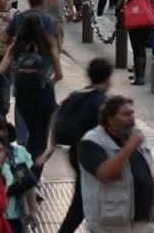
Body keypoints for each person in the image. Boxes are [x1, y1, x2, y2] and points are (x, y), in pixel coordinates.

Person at [41, 57, 113, 233]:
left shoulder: (78, 94)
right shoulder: (102, 101)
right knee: (87, 201)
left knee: (82, 200)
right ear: (107, 78)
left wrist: (51, 147)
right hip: (93, 156)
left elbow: (56, 116)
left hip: (75, 152)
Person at [79, 96, 154, 232]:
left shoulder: (133, 134)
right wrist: (130, 146)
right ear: (110, 118)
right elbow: (106, 175)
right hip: (111, 226)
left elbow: (143, 163)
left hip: (143, 222)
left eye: (132, 113)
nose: (132, 118)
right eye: (126, 114)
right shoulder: (91, 142)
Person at [0, 12, 63, 159]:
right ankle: (36, 174)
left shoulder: (16, 46)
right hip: (44, 96)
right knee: (40, 138)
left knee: (23, 136)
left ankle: (24, 168)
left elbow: (1, 69)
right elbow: (59, 75)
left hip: (22, 95)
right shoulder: (48, 45)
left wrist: (15, 80)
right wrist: (48, 83)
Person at [0, 115, 40, 233]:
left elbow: (28, 184)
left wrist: (33, 210)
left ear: (4, 132)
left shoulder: (19, 153)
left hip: (16, 218)